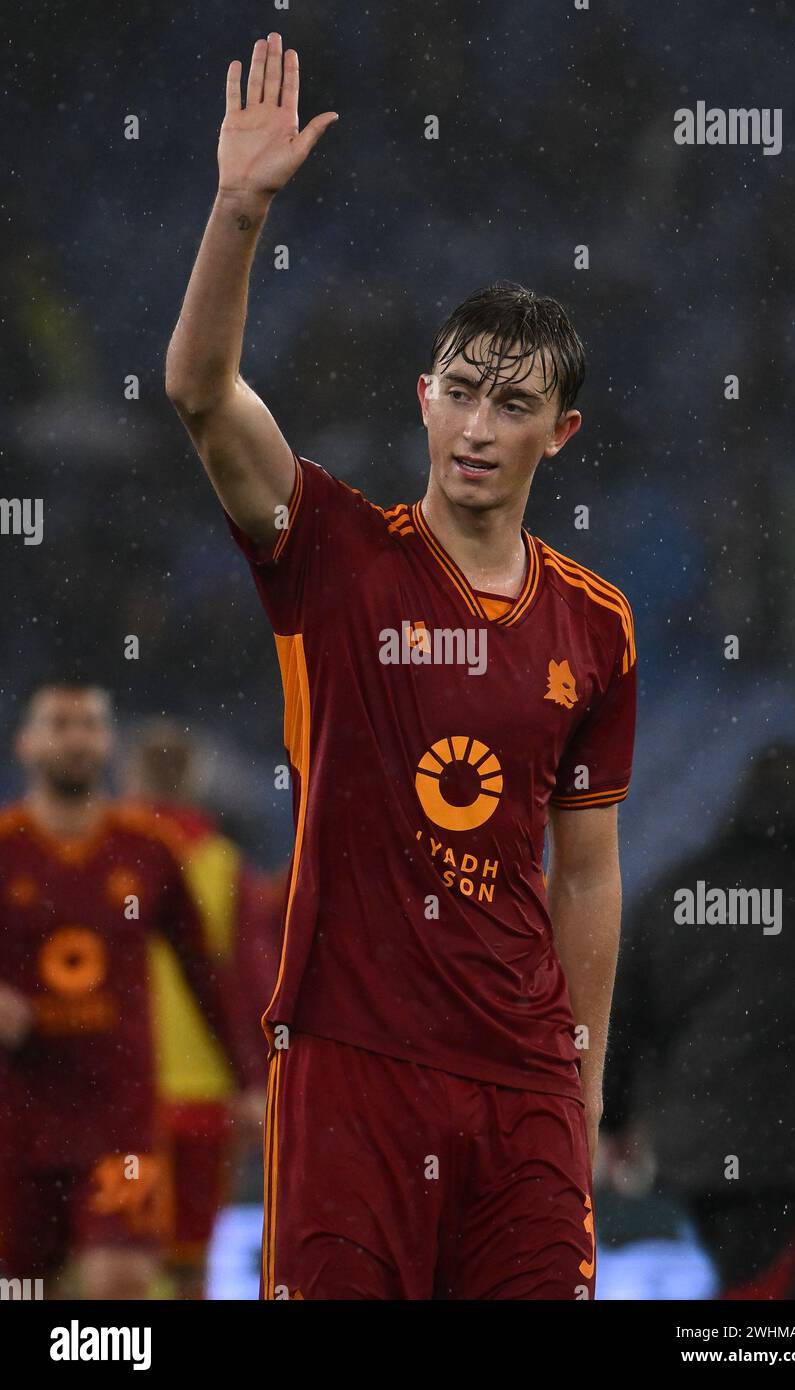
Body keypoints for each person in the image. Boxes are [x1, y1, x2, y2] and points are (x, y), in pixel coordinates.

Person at [165, 32, 637, 1300]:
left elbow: (585, 878)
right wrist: (235, 211)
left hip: (524, 1085)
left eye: (514, 402)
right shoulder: (332, 551)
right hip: (349, 1062)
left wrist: (580, 1084)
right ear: (423, 396)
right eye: (463, 392)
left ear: (561, 429)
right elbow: (201, 394)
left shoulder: (596, 625)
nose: (480, 426)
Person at [0, 680, 261, 1299]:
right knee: (23, 1291)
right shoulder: (5, 850)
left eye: (90, 724)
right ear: (27, 743)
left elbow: (207, 975)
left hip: (120, 1114)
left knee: (123, 1282)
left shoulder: (148, 852)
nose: (76, 738)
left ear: (108, 744)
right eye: (60, 724)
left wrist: (249, 1082)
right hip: (19, 1119)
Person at [603, 743, 795, 1299]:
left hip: (696, 1147)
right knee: (764, 1288)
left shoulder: (677, 894)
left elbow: (623, 1014)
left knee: (756, 1282)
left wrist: (614, 1122)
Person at [123, 719, 275, 1299]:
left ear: (131, 777)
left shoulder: (108, 859)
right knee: (189, 1257)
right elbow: (251, 982)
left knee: (114, 1251)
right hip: (206, 1094)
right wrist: (255, 1082)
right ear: (196, 782)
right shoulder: (223, 864)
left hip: (119, 1090)